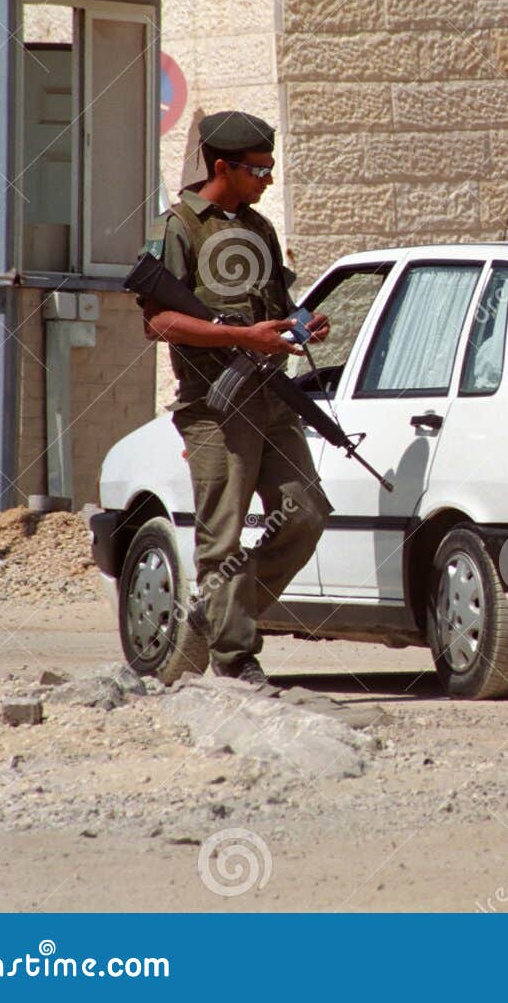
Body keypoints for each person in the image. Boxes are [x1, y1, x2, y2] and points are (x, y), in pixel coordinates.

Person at [138, 111, 331, 685]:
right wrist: (239, 337)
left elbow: (274, 308)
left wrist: (300, 325)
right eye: (257, 170)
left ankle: (222, 614)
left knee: (307, 514)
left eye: (270, 169)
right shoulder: (172, 228)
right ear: (221, 166)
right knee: (222, 537)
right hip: (215, 407)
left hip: (272, 394)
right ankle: (234, 654)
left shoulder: (259, 230)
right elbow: (158, 322)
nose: (267, 180)